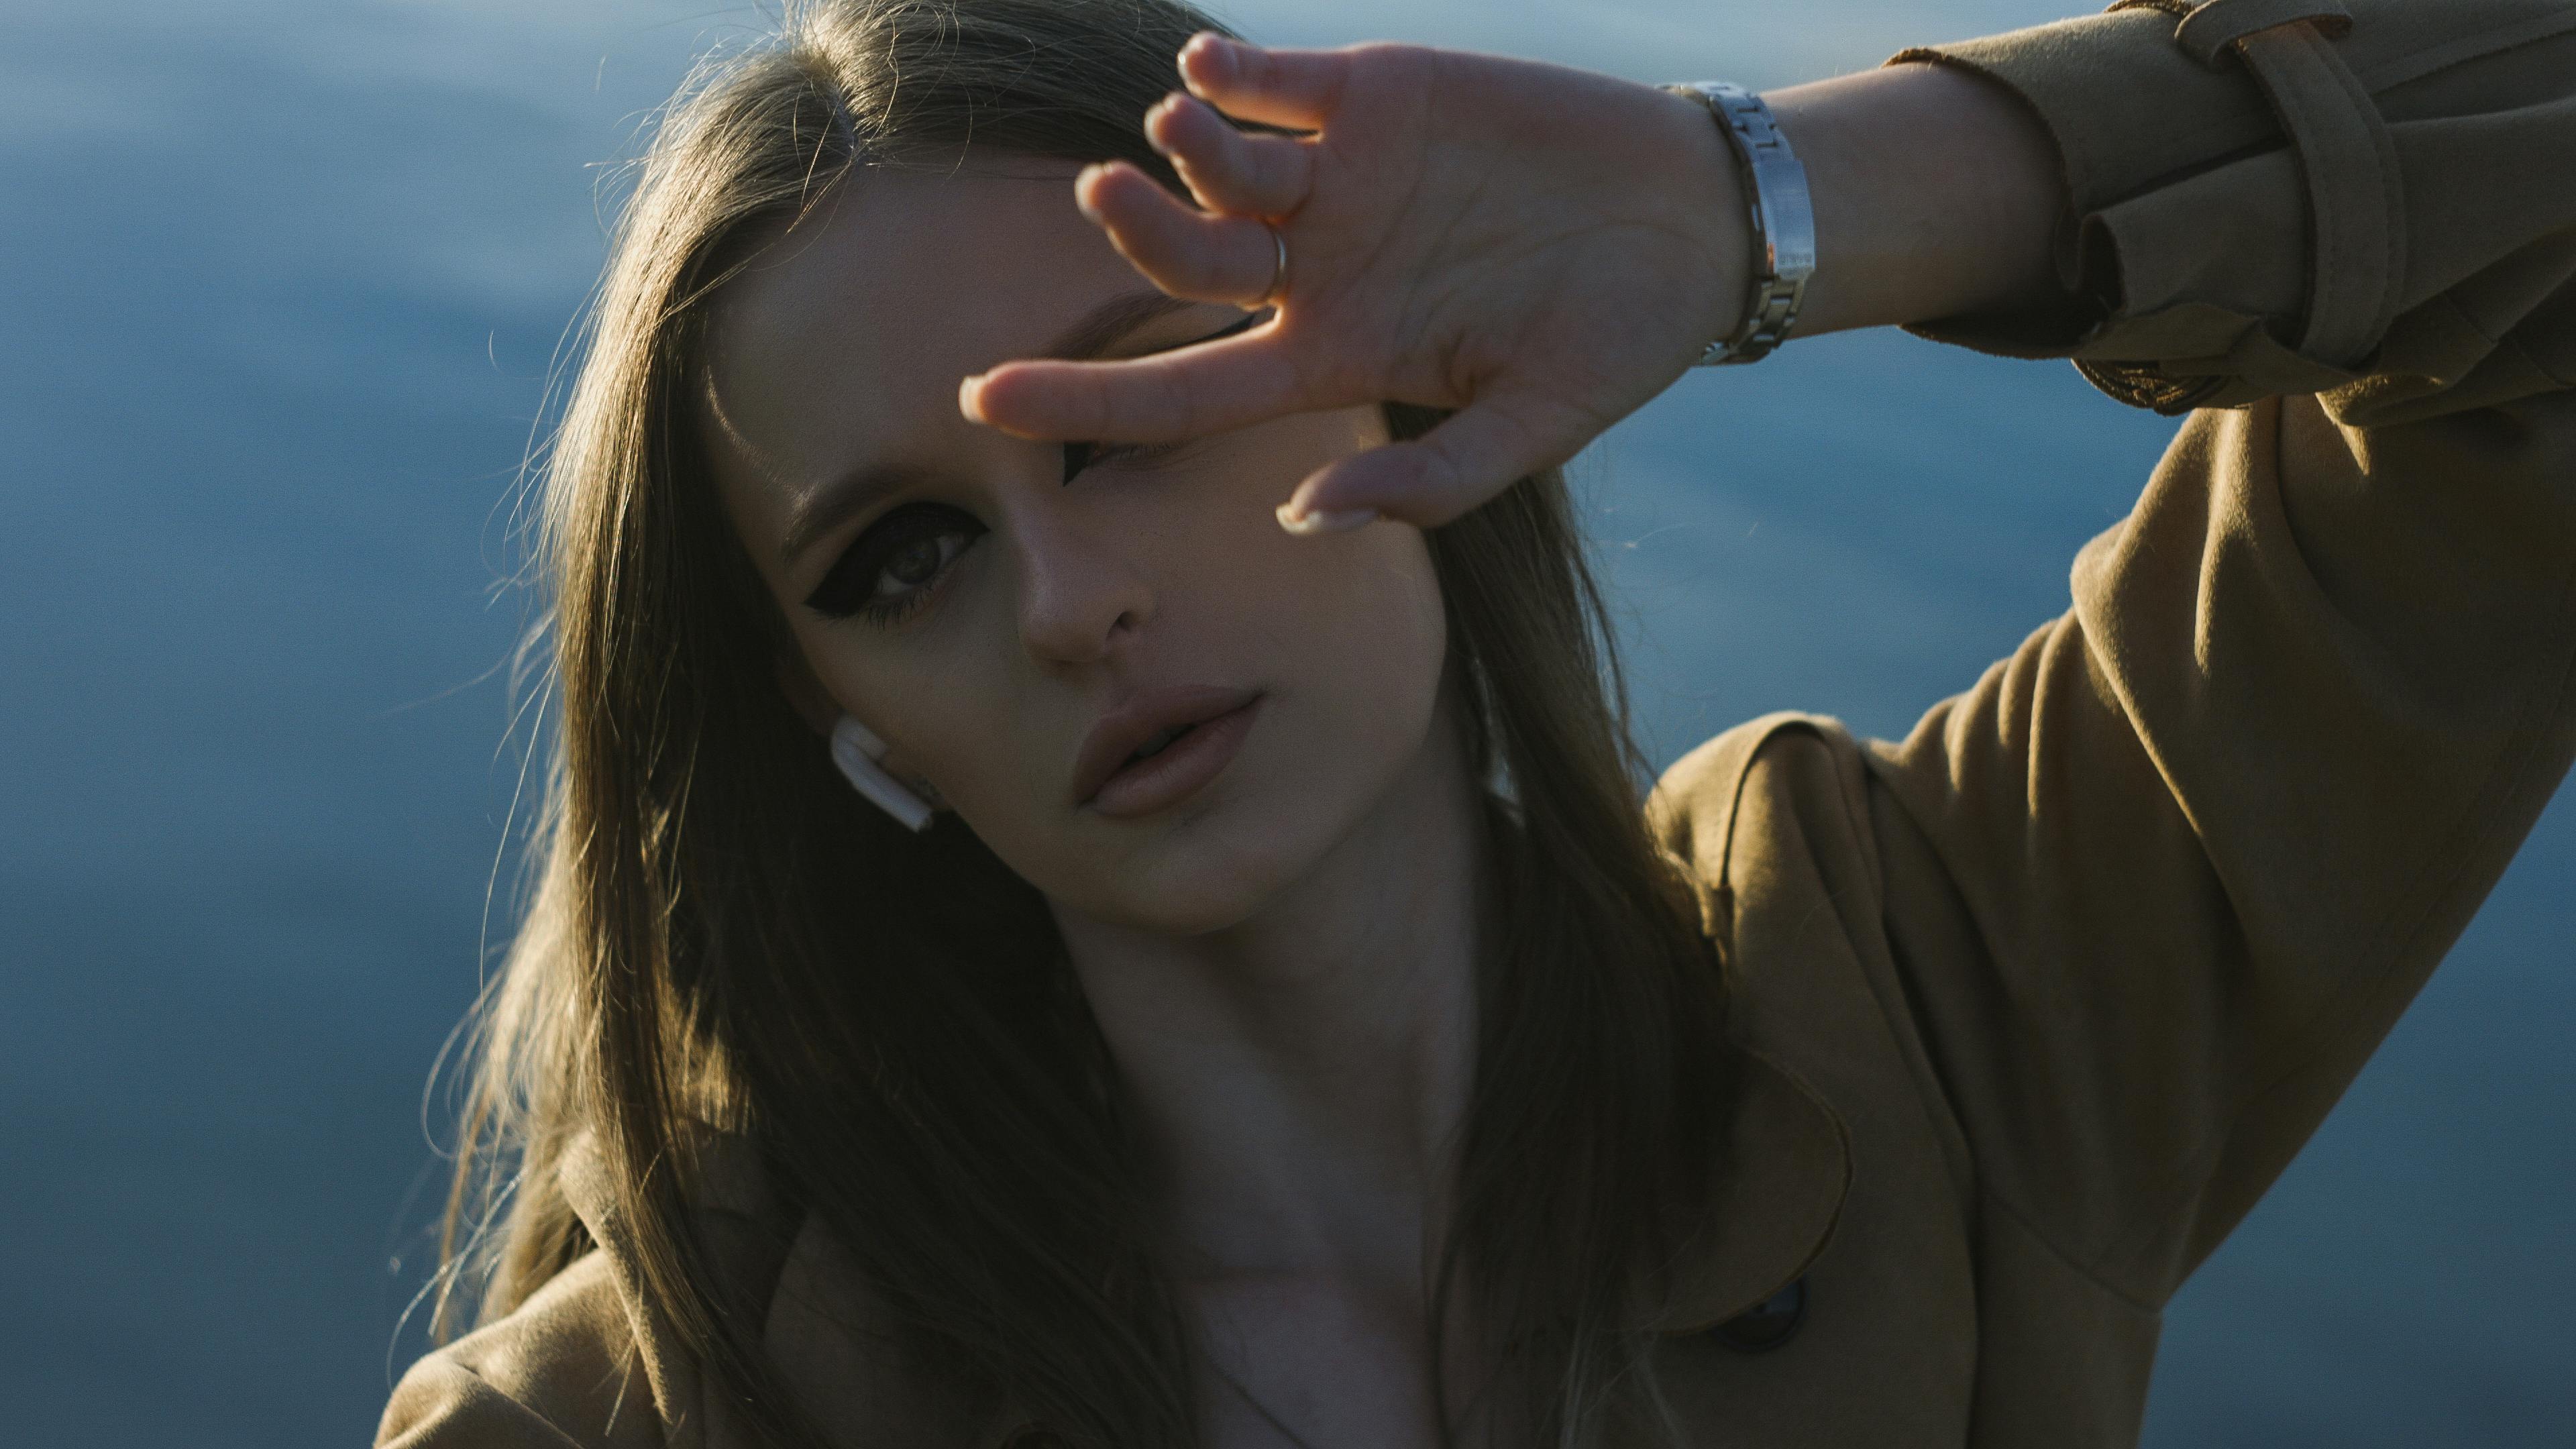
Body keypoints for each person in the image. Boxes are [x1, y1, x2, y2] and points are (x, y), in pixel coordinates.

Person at [378, 0, 2576, 1444]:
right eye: (902, 560)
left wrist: (1747, 206)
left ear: (1401, 354)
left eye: (1140, 406)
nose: (1069, 602)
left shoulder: (1938, 1016)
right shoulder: (627, 1417)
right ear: (835, 715)